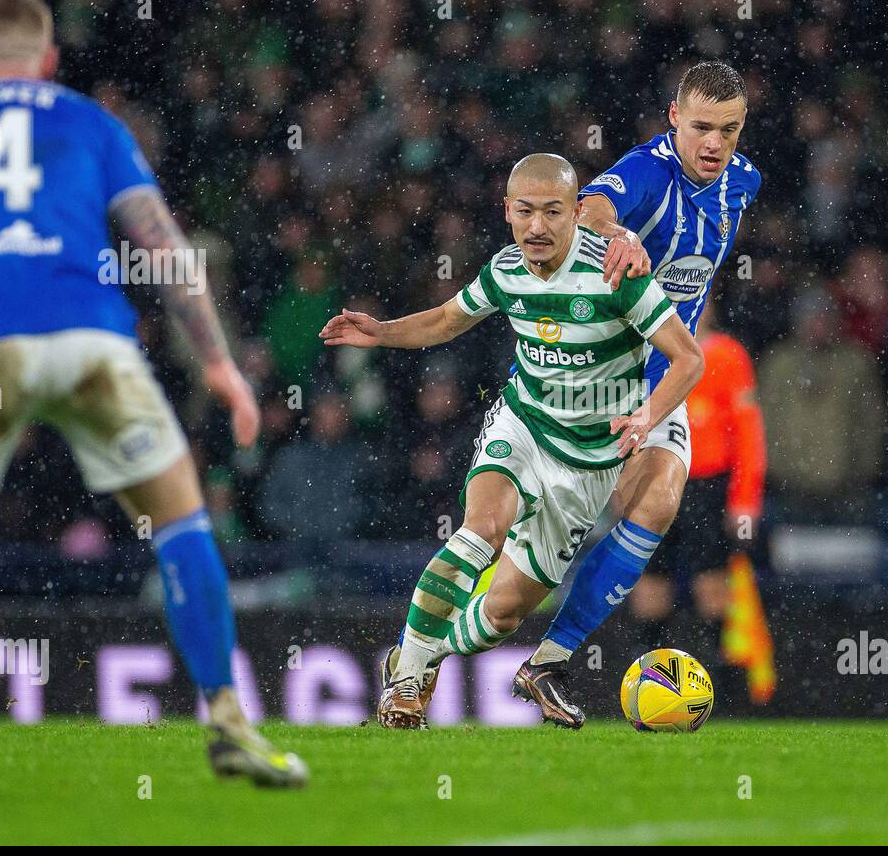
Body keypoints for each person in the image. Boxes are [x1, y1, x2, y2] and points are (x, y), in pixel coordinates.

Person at [0, 0, 306, 786]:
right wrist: (216, 361)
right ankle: (226, 720)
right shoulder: (88, 120)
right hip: (90, 343)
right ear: (48, 62)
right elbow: (162, 241)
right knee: (180, 523)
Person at [319, 153, 703, 729]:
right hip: (523, 427)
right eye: (525, 212)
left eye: (553, 212)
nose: (537, 227)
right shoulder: (505, 270)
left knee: (500, 616)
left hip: (589, 465)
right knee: (479, 532)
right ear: (507, 212)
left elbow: (688, 359)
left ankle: (422, 656)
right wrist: (383, 332)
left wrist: (648, 417)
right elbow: (448, 320)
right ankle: (404, 686)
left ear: (578, 213)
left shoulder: (618, 274)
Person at [511, 61, 762, 727]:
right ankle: (420, 660)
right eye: (701, 126)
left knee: (657, 503)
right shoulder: (650, 169)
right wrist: (615, 233)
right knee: (523, 578)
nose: (714, 143)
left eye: (729, 130)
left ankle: (547, 661)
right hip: (599, 377)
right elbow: (592, 207)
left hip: (660, 386)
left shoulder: (744, 182)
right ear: (674, 118)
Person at [628, 301, 765, 633]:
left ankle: (718, 674)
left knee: (713, 587)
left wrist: (745, 500)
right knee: (648, 586)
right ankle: (649, 674)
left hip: (706, 487)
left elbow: (748, 436)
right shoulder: (640, 355)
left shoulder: (727, 356)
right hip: (653, 479)